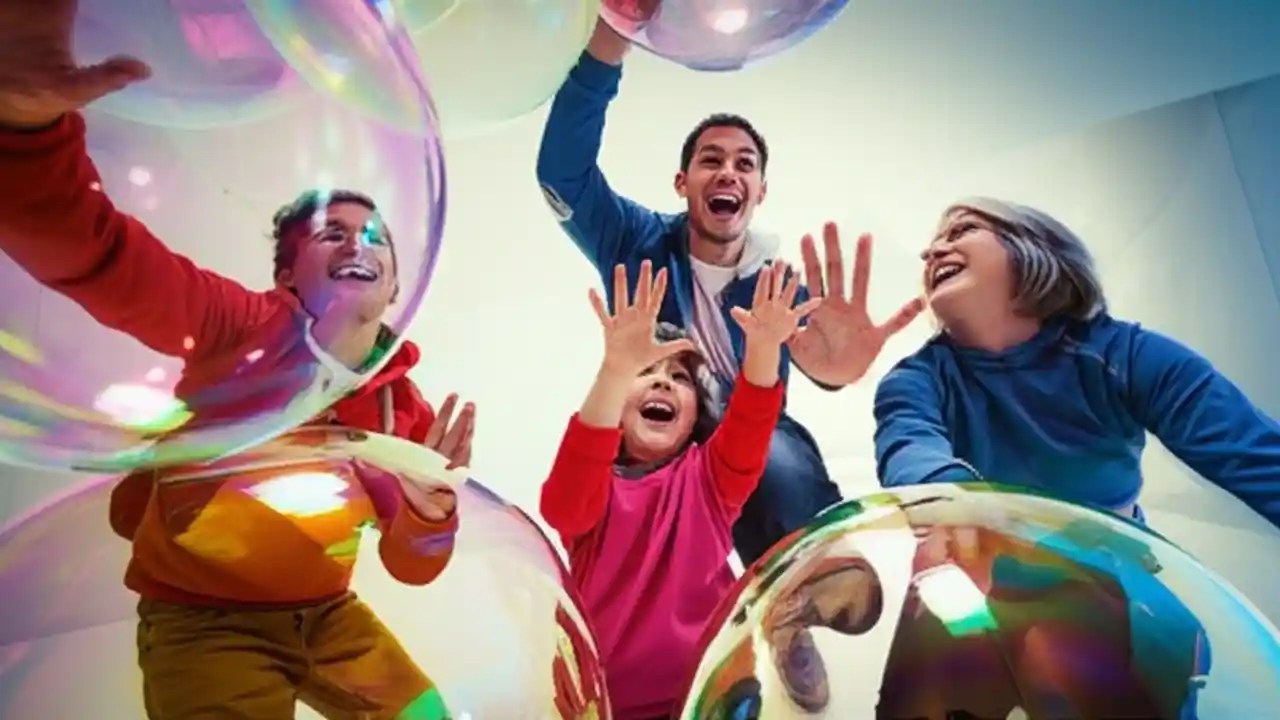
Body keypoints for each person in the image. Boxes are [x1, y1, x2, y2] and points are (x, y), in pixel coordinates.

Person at [0, 4, 474, 717]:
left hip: (330, 617)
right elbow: (96, 254)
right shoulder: (234, 326)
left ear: (397, 283)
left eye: (374, 236)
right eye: (330, 234)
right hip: (202, 622)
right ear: (287, 277)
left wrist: (429, 515)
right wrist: (24, 131)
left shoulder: (398, 404)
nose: (357, 244)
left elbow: (410, 567)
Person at [536, 18, 923, 567]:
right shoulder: (633, 237)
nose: (727, 173)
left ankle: (817, 582)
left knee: (776, 459)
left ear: (760, 191)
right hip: (657, 434)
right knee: (652, 560)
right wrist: (613, 37)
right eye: (710, 160)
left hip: (753, 442)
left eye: (745, 164)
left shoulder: (780, 287)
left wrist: (835, 374)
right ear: (681, 182)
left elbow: (816, 363)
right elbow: (562, 171)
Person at [873, 197, 1280, 528]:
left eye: (963, 229)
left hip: (1123, 586)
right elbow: (909, 448)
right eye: (931, 246)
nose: (932, 251)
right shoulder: (914, 381)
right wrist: (949, 504)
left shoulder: (1128, 356)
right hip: (979, 587)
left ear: (1033, 246)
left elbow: (1255, 458)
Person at [538, 258, 819, 719]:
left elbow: (749, 426)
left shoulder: (709, 481)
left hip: (710, 696)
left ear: (694, 417)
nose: (662, 380)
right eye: (645, 371)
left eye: (680, 377)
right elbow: (563, 505)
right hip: (608, 706)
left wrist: (765, 347)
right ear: (615, 406)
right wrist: (614, 368)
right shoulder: (595, 487)